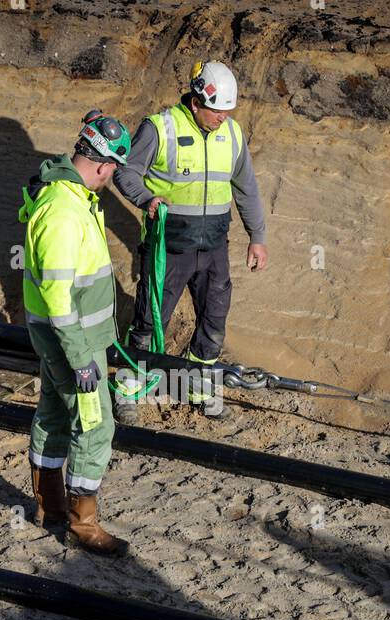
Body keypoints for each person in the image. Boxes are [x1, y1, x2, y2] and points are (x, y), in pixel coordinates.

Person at [113, 60, 268, 422]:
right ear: (196, 102)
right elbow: (126, 171)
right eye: (216, 111)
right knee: (151, 322)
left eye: (228, 112)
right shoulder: (160, 127)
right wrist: (145, 199)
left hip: (213, 248)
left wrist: (257, 237)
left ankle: (200, 387)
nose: (222, 119)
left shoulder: (231, 134)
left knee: (214, 321)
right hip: (168, 245)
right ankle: (130, 391)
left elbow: (247, 188)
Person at [20, 111, 133, 556]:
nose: (111, 179)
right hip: (71, 339)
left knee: (52, 411)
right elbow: (59, 298)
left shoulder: (70, 197)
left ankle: (48, 507)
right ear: (104, 165)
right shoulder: (63, 212)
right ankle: (82, 525)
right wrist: (82, 356)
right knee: (95, 423)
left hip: (65, 336)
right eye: (113, 172)